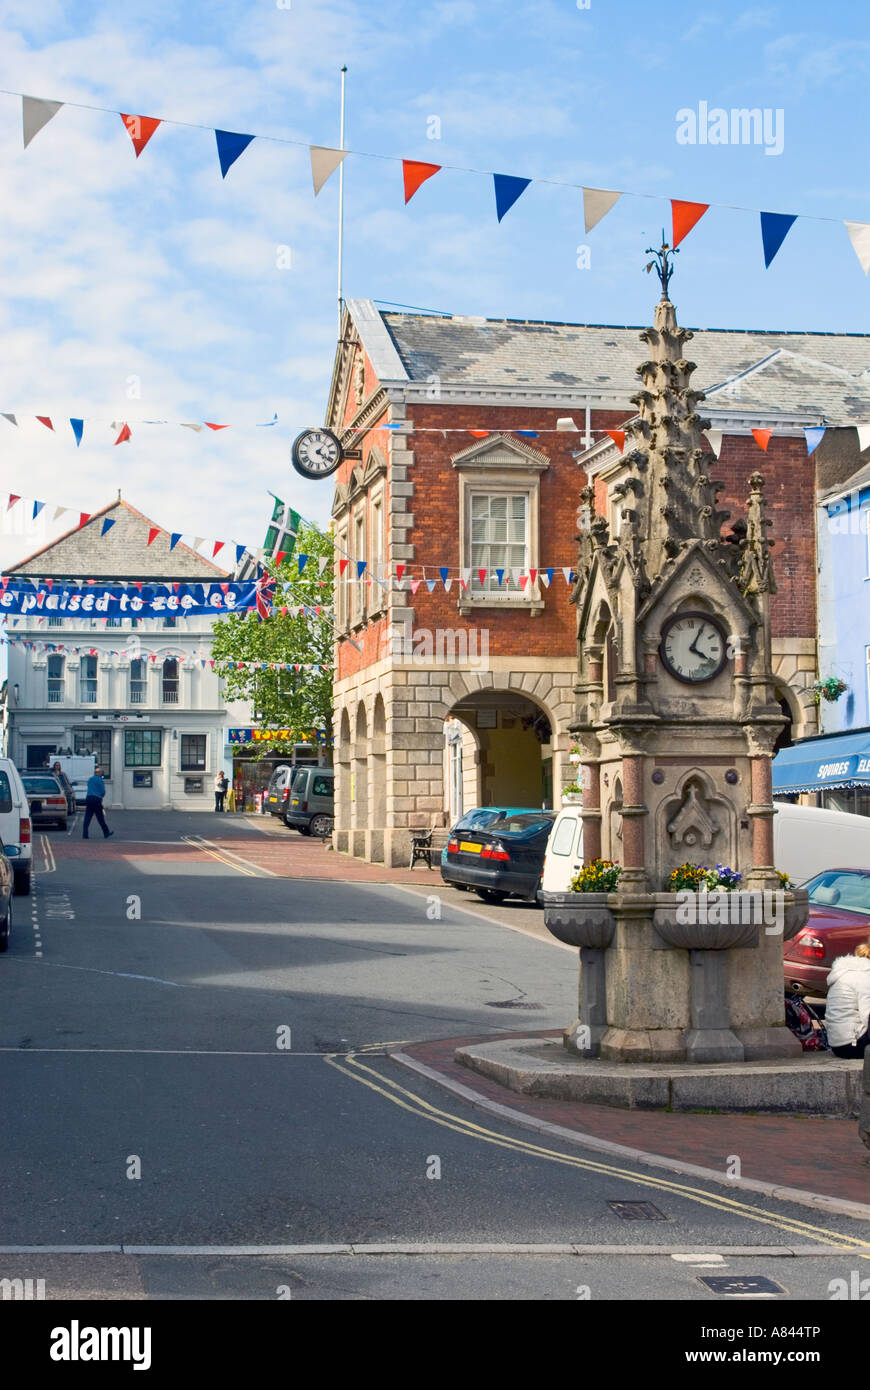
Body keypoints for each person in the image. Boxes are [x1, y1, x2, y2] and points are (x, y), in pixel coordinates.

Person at [825, 941, 870, 1059]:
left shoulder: (845, 972)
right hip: (853, 1045)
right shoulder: (864, 977)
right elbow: (867, 1015)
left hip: (838, 1045)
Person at [82, 766, 114, 840]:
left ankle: (85, 834)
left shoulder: (90, 779)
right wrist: (101, 796)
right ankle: (106, 833)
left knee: (87, 817)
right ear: (98, 773)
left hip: (89, 798)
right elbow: (102, 791)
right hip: (96, 799)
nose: (101, 774)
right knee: (100, 817)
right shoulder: (100, 780)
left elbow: (89, 788)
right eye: (101, 772)